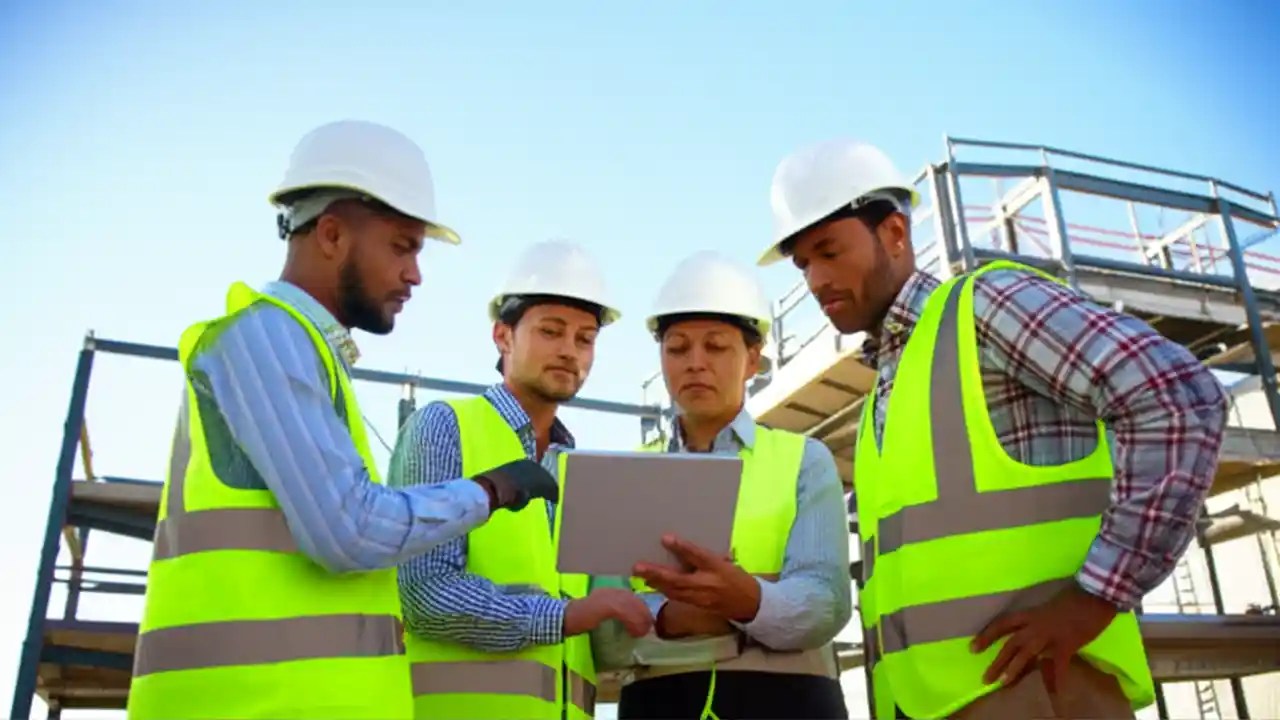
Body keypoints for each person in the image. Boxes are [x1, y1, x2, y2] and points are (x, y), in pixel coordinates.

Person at [760, 138, 1230, 719]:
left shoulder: (982, 306)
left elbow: (1178, 398)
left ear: (896, 235)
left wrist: (1098, 595)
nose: (815, 279)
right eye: (804, 263)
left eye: (829, 251)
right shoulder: (886, 387)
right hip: (931, 705)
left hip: (1038, 690)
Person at [126, 120, 560, 720]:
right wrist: (493, 489)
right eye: (402, 247)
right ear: (331, 235)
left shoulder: (304, 354)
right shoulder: (265, 337)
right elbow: (350, 531)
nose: (415, 274)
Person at [389, 239, 653, 720]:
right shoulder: (444, 427)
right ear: (502, 336)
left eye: (585, 339)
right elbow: (423, 592)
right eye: (551, 332)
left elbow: (597, 627)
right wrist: (563, 616)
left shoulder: (583, 471)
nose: (569, 351)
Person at [594, 250, 852, 720]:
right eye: (677, 348)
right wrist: (688, 614)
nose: (695, 363)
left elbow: (825, 603)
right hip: (659, 705)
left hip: (786, 705)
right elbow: (608, 638)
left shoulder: (803, 461)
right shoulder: (626, 475)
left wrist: (742, 600)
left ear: (753, 358)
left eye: (715, 346)